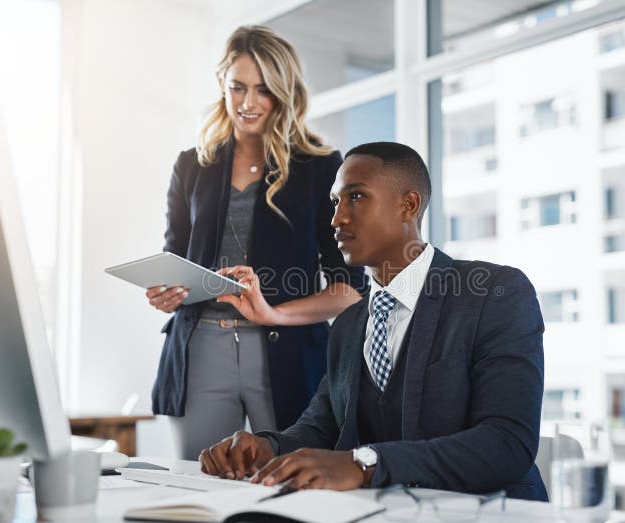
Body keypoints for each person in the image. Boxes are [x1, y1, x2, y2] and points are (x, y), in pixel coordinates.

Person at [198, 142, 548, 500]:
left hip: (492, 517)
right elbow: (319, 429)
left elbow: (508, 442)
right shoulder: (349, 323)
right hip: (382, 518)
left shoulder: (495, 294)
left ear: (407, 205)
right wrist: (265, 447)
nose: (336, 218)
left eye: (357, 197)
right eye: (335, 202)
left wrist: (366, 463)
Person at [146, 26, 367, 461]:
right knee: (203, 481)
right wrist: (166, 292)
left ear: (285, 94)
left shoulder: (321, 168)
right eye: (238, 88)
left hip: (290, 354)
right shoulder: (191, 165)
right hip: (200, 348)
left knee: (293, 484)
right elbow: (173, 258)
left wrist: (273, 313)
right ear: (222, 86)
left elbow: (349, 290)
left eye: (264, 90)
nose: (248, 103)